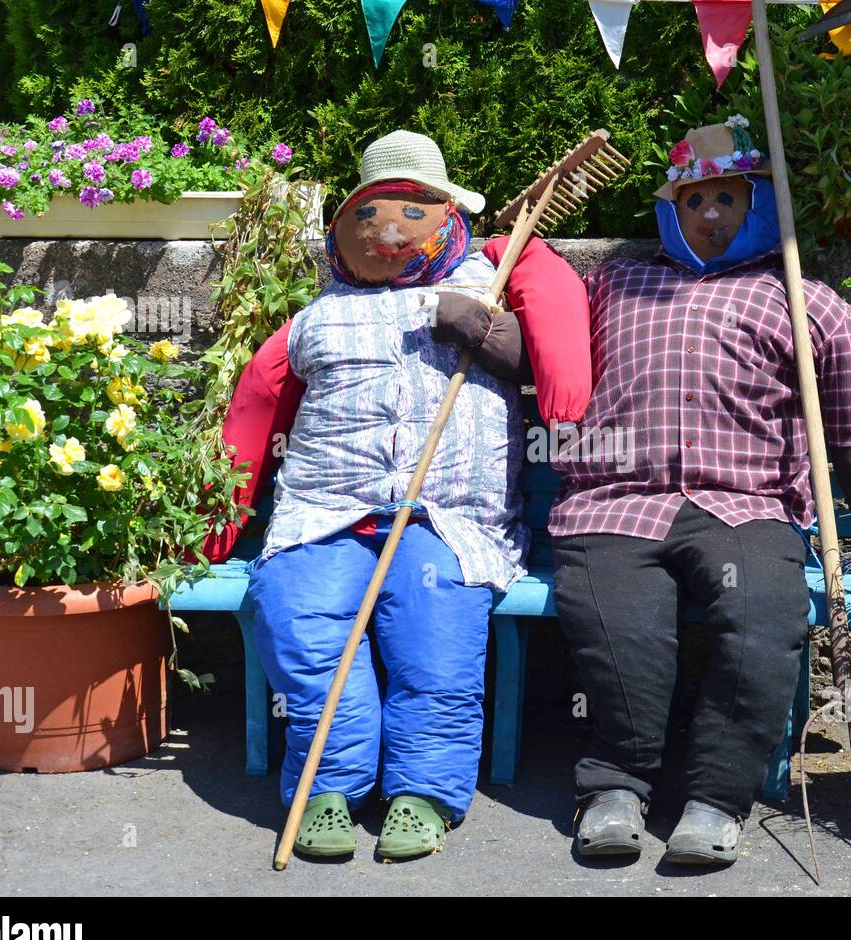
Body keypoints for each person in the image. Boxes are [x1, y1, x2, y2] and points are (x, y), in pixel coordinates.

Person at [202, 130, 591, 861]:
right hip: (326, 510)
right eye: (371, 214)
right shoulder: (319, 314)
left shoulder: (487, 278)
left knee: (435, 636)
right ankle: (328, 785)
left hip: (447, 518)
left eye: (413, 210)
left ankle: (423, 790)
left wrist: (476, 319)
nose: (388, 231)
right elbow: (256, 402)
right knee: (304, 622)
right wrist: (217, 517)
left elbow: (543, 351)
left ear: (447, 215)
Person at [553, 118, 851, 865]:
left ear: (762, 206)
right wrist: (486, 299)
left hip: (745, 507)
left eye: (727, 197)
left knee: (760, 619)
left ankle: (717, 797)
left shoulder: (806, 301)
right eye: (693, 201)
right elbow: (543, 346)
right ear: (669, 213)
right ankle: (615, 786)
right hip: (615, 501)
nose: (709, 214)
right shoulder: (614, 282)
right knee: (619, 625)